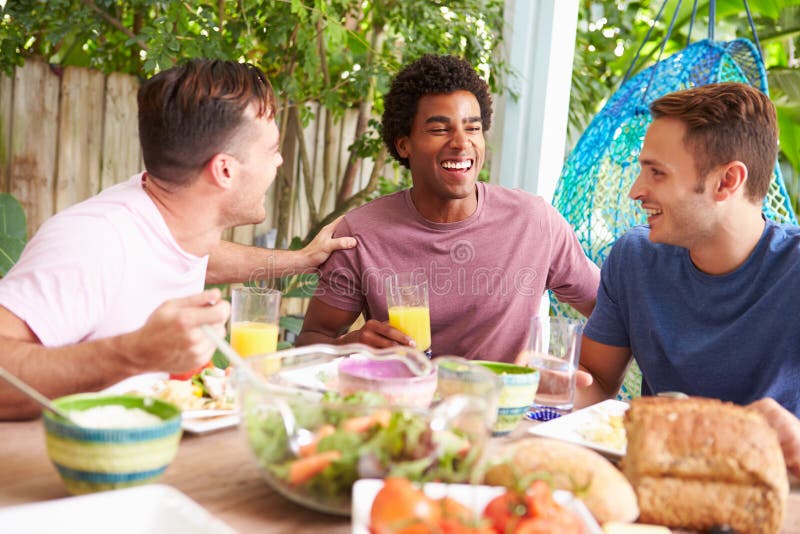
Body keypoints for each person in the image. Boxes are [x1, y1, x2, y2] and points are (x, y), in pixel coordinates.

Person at [0, 59, 355, 420]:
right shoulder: (93, 240)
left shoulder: (172, 219)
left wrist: (301, 260)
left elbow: (197, 255)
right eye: (271, 150)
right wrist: (135, 352)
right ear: (225, 170)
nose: (279, 161)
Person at [296, 54, 599, 361]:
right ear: (404, 144)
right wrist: (353, 345)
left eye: (472, 128)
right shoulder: (361, 234)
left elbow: (609, 309)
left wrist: (577, 378)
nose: (461, 142)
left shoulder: (534, 221)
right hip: (400, 406)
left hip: (504, 407)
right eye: (440, 129)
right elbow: (310, 343)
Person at [577, 82, 800, 417]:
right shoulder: (634, 258)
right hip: (652, 465)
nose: (636, 191)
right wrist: (542, 384)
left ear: (727, 181)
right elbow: (594, 381)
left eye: (657, 173)